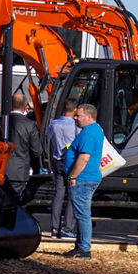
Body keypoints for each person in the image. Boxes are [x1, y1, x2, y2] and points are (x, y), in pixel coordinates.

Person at [0, 92, 46, 219]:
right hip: (18, 171)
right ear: (24, 107)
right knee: (13, 203)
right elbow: (37, 151)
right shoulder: (30, 125)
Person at [61, 104, 105, 258]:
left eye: (78, 116)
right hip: (86, 177)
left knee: (82, 214)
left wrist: (72, 176)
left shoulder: (89, 133)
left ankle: (84, 249)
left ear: (88, 117)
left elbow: (84, 157)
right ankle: (80, 247)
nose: (75, 118)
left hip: (83, 178)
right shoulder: (95, 130)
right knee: (81, 213)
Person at [45, 101, 79, 239]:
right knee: (72, 195)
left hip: (57, 160)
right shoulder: (76, 126)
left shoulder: (54, 124)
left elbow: (48, 136)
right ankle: (67, 228)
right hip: (71, 162)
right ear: (74, 110)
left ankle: (54, 228)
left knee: (58, 194)